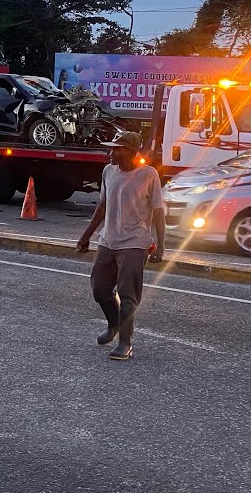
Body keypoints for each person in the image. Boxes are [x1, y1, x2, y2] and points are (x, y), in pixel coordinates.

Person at [76, 130, 165, 361]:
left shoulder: (148, 174)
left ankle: (125, 343)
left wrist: (161, 246)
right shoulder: (108, 171)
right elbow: (103, 205)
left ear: (132, 152)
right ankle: (113, 325)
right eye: (111, 148)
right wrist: (86, 235)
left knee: (128, 295)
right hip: (108, 239)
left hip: (135, 241)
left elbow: (158, 212)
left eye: (117, 149)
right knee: (100, 289)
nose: (111, 153)